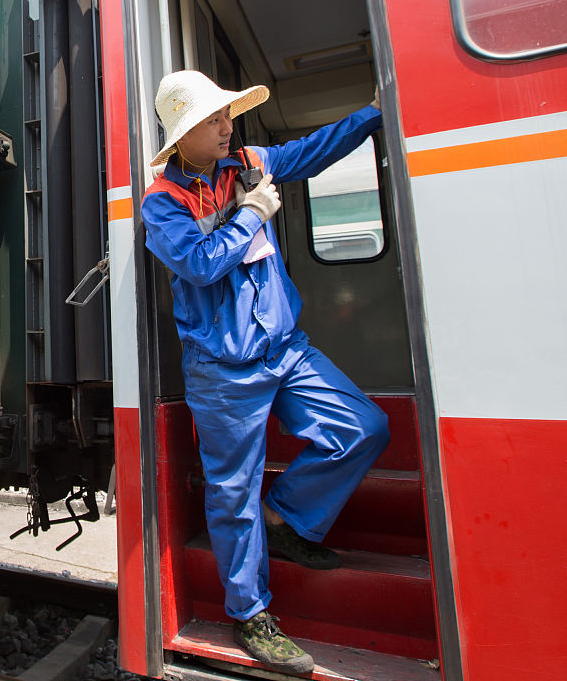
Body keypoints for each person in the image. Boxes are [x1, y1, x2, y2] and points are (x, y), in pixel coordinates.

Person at [141, 70, 390, 675]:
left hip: (287, 349)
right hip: (223, 372)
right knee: (233, 495)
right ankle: (250, 614)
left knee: (364, 426)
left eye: (228, 116)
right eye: (215, 120)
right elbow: (200, 266)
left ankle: (288, 517)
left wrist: (374, 112)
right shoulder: (160, 205)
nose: (229, 127)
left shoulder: (252, 160)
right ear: (183, 135)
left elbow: (314, 150)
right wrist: (252, 214)